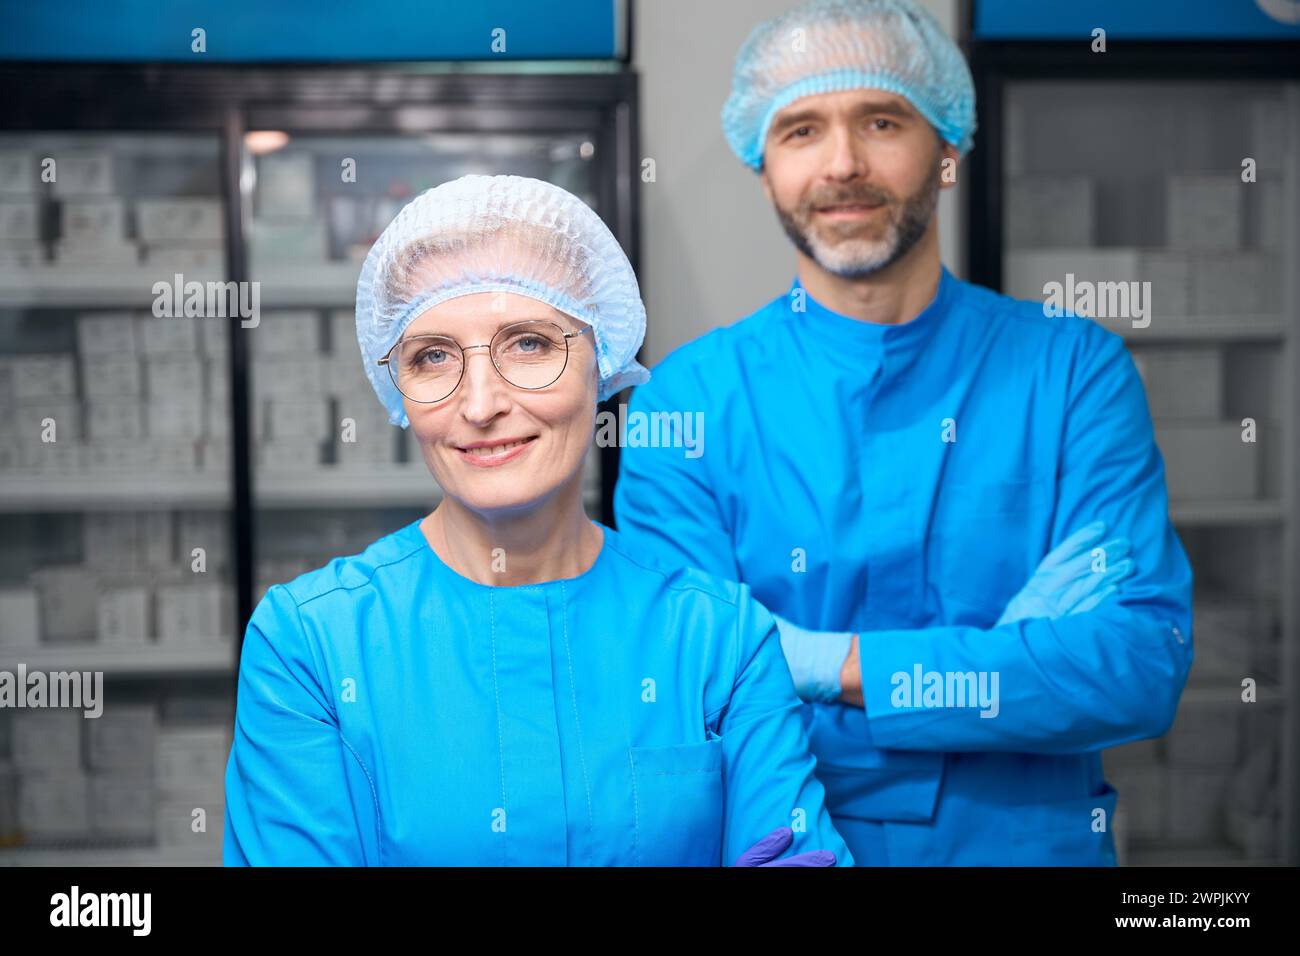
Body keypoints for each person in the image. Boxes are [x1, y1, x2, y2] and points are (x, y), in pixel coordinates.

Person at [614, 0, 1193, 865]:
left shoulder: (1072, 372)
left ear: (948, 146)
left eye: (882, 120)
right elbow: (700, 695)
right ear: (763, 164)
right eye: (802, 129)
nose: (843, 163)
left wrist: (827, 665)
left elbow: (1138, 669)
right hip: (799, 841)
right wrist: (1006, 665)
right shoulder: (686, 405)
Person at [223, 174, 852, 867]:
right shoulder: (310, 645)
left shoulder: (717, 637)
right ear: (396, 387)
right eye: (433, 356)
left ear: (603, 360)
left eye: (527, 343)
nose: (481, 404)